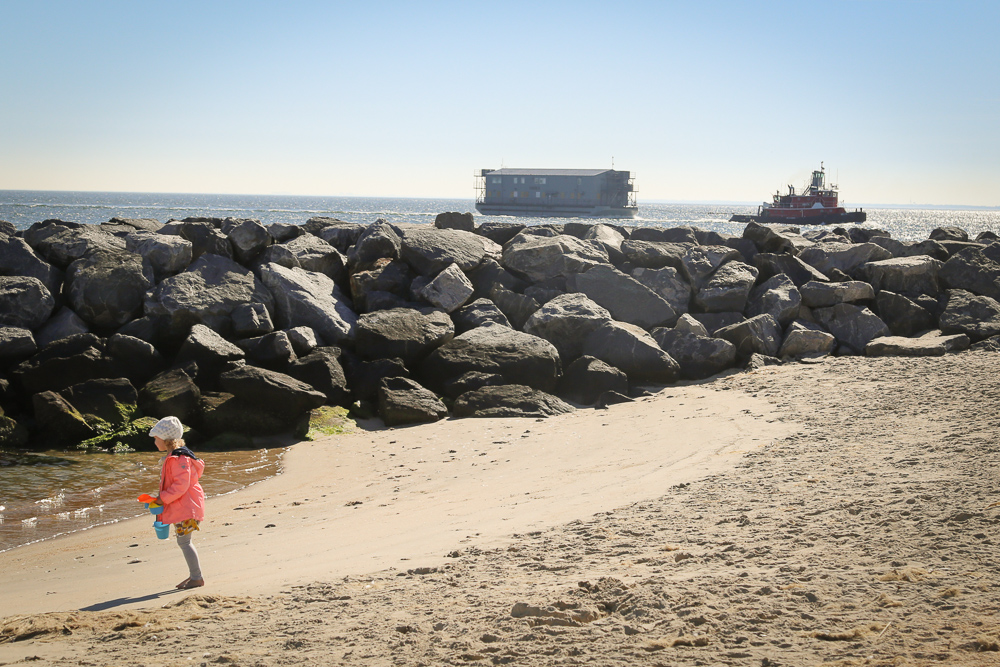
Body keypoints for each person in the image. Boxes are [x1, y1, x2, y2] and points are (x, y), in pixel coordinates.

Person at [149, 416, 206, 590]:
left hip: (188, 507)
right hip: (183, 505)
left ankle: (197, 577)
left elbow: (181, 485)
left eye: (156, 438)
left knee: (184, 542)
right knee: (183, 541)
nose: (154, 442)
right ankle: (194, 576)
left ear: (166, 440)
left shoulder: (180, 458)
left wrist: (162, 498)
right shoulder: (173, 456)